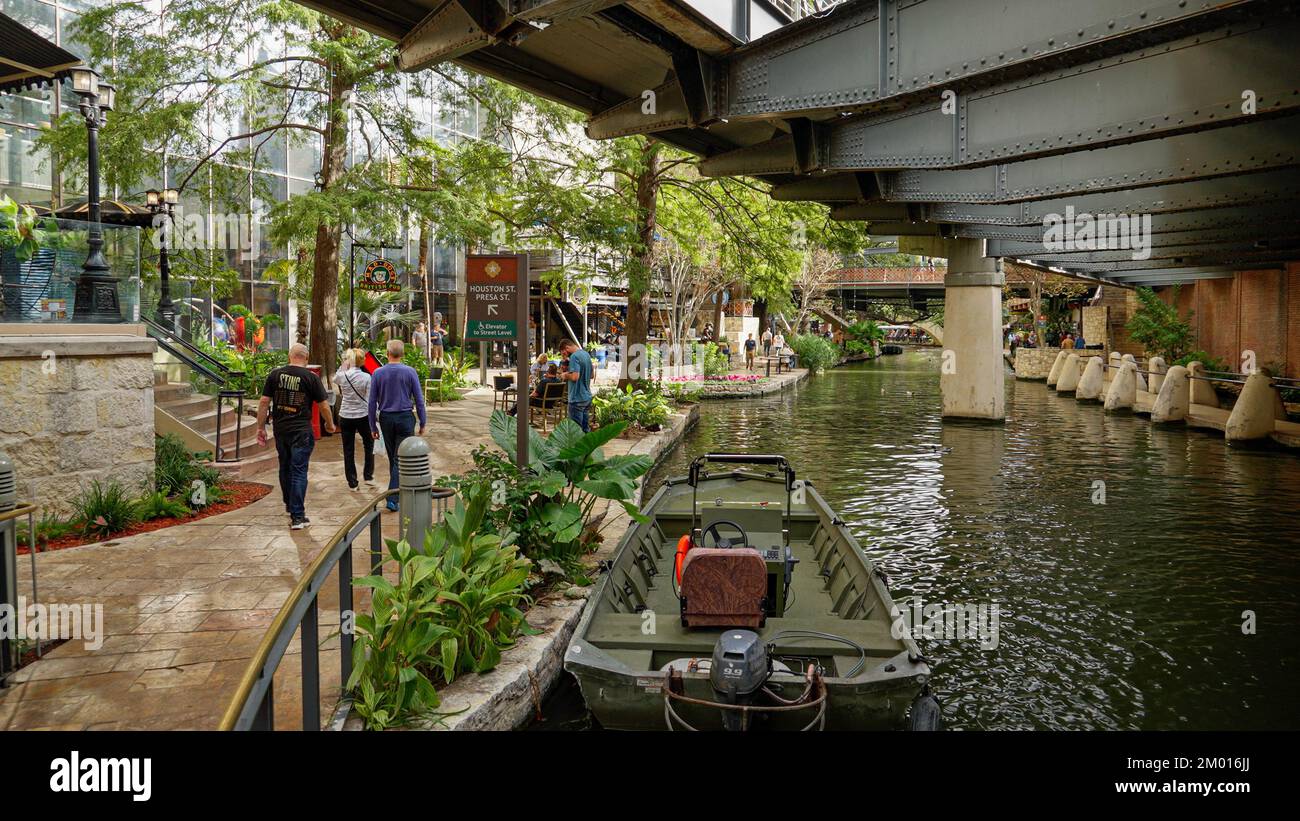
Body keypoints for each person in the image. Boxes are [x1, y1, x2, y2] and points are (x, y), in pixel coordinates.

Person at [257, 343, 334, 530]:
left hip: (281, 429)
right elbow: (324, 405)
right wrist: (330, 424)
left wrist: (261, 427)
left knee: (285, 466)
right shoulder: (311, 377)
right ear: (306, 358)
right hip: (301, 430)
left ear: (289, 356)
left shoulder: (275, 375)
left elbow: (264, 401)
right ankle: (298, 516)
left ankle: (290, 506)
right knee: (299, 470)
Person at [368, 339, 427, 512]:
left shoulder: (378, 373)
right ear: (402, 354)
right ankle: (394, 497)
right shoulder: (410, 372)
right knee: (399, 458)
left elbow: (372, 402)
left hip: (386, 418)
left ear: (387, 353)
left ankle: (395, 494)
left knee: (395, 457)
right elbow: (419, 399)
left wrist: (372, 425)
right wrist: (423, 421)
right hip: (405, 418)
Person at [333, 348, 374, 492]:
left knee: (348, 449)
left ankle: (352, 482)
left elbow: (335, 378)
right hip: (363, 415)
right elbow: (370, 400)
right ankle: (368, 476)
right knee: (369, 445)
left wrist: (345, 364)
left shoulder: (342, 376)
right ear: (362, 361)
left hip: (345, 416)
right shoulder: (366, 378)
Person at [558, 337, 593, 432]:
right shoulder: (586, 354)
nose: (565, 356)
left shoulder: (575, 356)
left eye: (564, 353)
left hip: (576, 398)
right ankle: (588, 447)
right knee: (585, 430)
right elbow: (592, 375)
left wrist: (565, 375)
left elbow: (574, 377)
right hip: (586, 397)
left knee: (575, 432)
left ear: (567, 347)